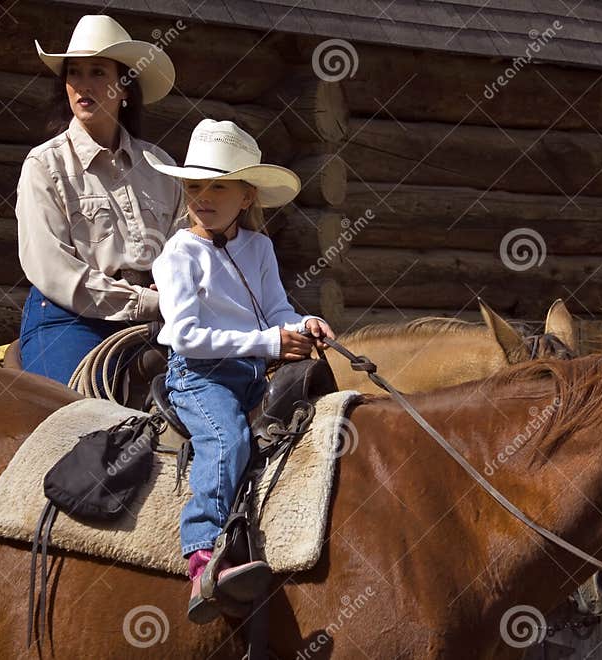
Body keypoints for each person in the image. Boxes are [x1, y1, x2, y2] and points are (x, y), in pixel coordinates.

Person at [148, 119, 336, 623]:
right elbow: (184, 335)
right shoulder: (178, 255)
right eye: (194, 186)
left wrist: (302, 323)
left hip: (252, 375)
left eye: (218, 186)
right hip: (198, 377)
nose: (203, 197)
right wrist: (270, 341)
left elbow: (276, 309)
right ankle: (202, 555)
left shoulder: (259, 248)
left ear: (247, 195)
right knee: (228, 440)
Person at [16, 15, 182, 386]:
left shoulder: (162, 168)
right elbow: (52, 267)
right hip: (69, 320)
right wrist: (143, 302)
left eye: (97, 72)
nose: (82, 85)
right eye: (74, 73)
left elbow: (187, 248)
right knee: (83, 424)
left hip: (161, 318)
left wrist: (174, 289)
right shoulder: (45, 164)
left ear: (125, 88)